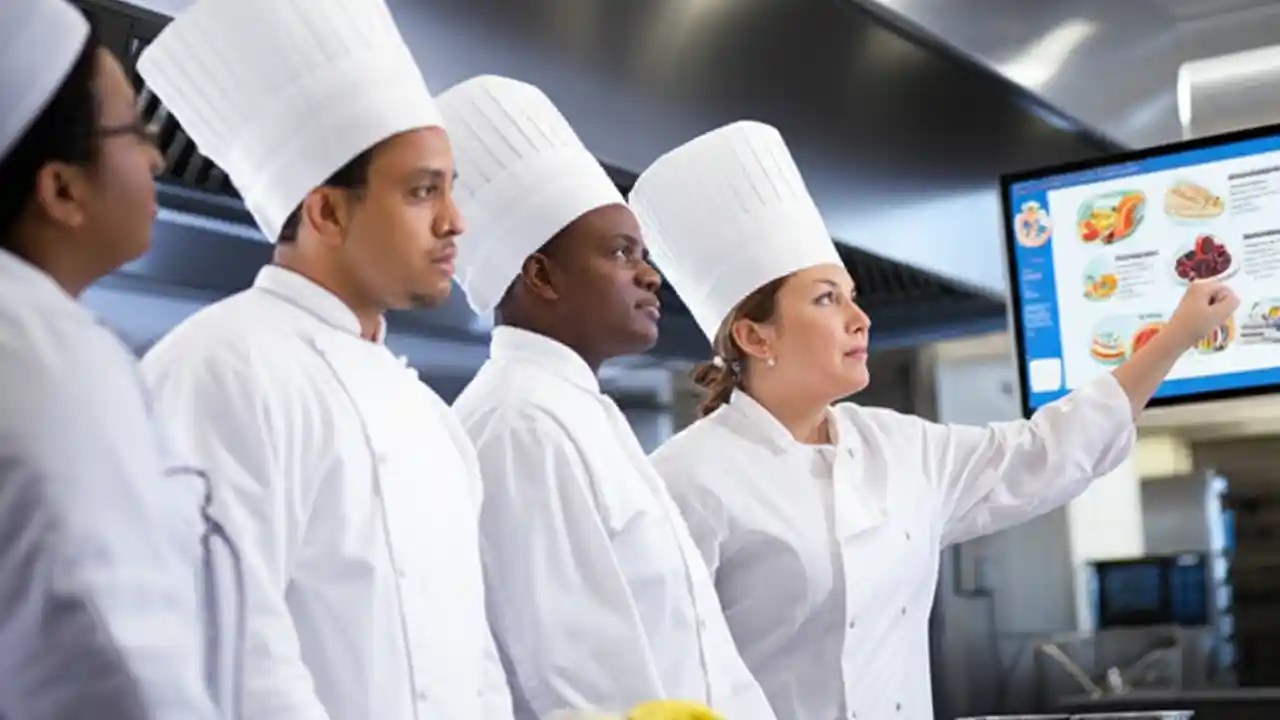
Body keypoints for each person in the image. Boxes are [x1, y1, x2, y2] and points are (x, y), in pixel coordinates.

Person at [630, 120, 1240, 720]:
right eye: (826, 299)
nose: (859, 318)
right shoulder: (685, 480)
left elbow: (1045, 451)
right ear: (754, 335)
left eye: (852, 295)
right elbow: (656, 668)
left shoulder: (895, 446)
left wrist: (1175, 338)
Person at [134, 1, 512, 718]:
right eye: (422, 190)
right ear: (327, 212)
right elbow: (232, 656)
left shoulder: (431, 417)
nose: (455, 220)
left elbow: (475, 661)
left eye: (451, 189)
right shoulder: (220, 368)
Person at [439, 76, 774, 720]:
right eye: (621, 253)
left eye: (644, 253)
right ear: (540, 274)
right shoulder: (520, 423)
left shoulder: (577, 410)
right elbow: (574, 682)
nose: (649, 274)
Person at [0, 1, 221, 718]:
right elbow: (116, 661)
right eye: (135, 131)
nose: (157, 154)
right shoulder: (49, 359)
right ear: (61, 188)